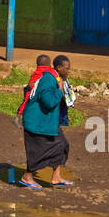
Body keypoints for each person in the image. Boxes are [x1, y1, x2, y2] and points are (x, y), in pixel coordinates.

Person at [18, 54, 71, 190]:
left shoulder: (55, 77)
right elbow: (48, 102)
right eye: (67, 68)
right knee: (39, 151)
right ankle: (27, 177)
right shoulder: (48, 79)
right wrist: (59, 91)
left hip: (47, 122)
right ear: (59, 68)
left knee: (62, 145)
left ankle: (56, 177)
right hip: (37, 123)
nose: (69, 71)